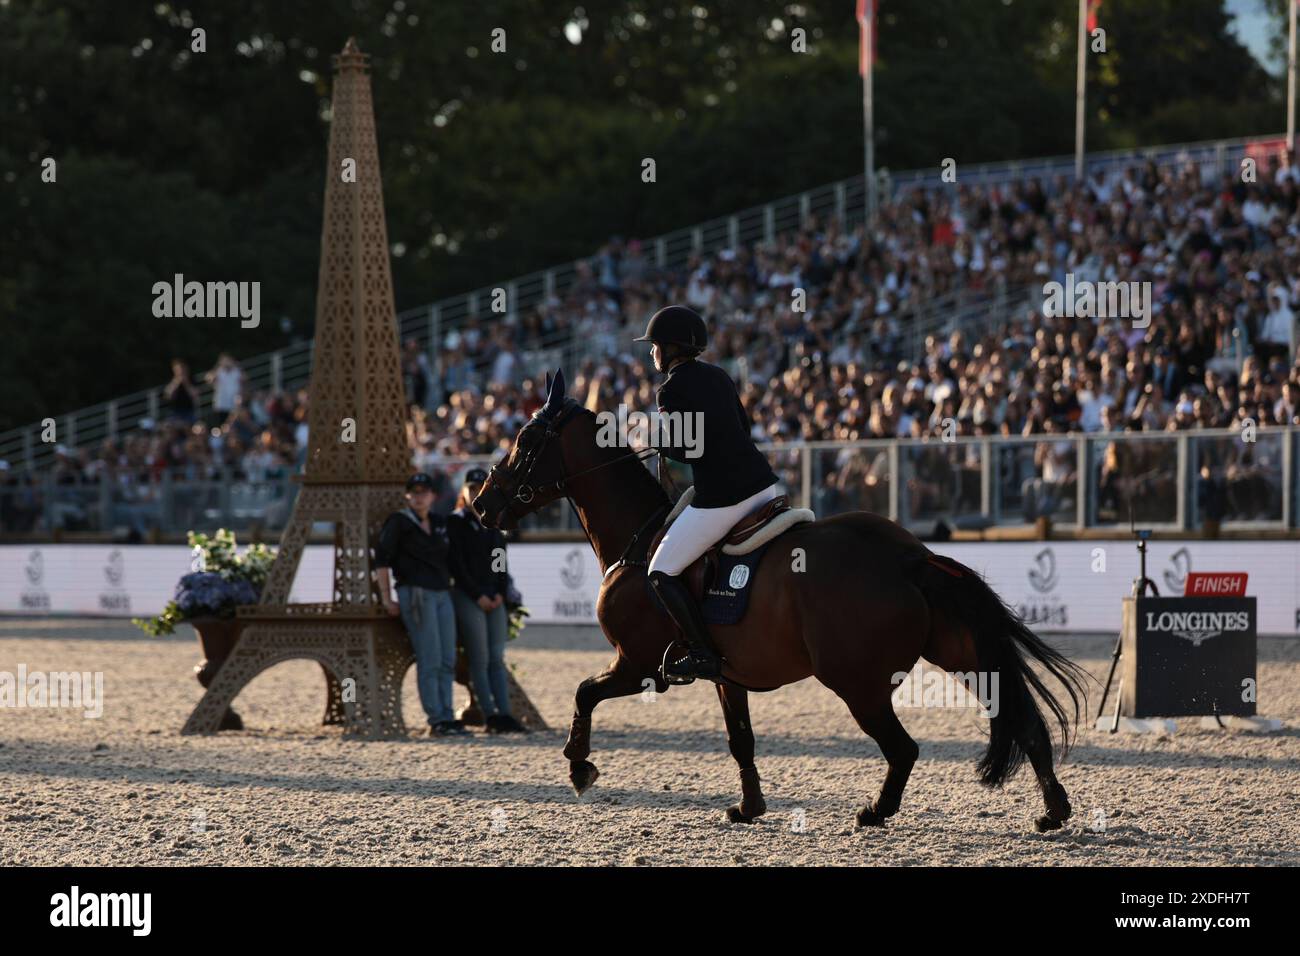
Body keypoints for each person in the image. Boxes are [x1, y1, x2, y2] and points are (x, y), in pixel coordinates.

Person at [636, 304, 779, 684]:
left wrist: (660, 442)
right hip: (763, 485)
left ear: (669, 348)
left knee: (660, 571)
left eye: (654, 346)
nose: (651, 352)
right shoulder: (718, 375)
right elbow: (742, 430)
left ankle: (702, 653)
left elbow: (689, 450)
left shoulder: (670, 389)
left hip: (725, 497)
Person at [375, 473, 468, 736]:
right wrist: (385, 596)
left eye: (424, 492)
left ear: (432, 496)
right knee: (430, 657)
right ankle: (436, 717)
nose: (419, 496)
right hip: (415, 592)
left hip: (441, 592)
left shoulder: (439, 522)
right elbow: (381, 559)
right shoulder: (398, 522)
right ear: (407, 495)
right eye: (414, 492)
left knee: (447, 658)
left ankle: (448, 715)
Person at [448, 468, 526, 733]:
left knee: (496, 658)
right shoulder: (456, 523)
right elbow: (457, 565)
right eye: (470, 488)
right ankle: (490, 714)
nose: (475, 493)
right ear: (463, 492)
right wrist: (478, 595)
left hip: (493, 597)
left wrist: (500, 593)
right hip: (470, 597)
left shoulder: (492, 522)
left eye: (479, 487)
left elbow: (501, 563)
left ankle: (504, 713)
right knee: (479, 659)